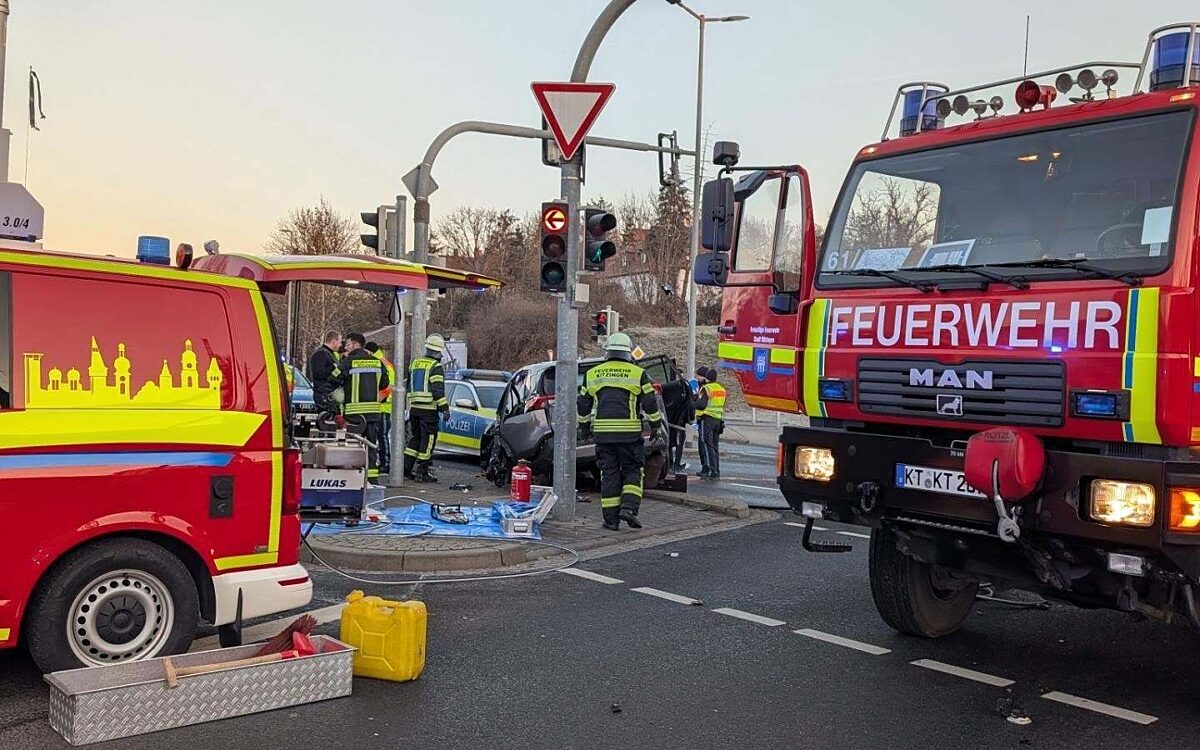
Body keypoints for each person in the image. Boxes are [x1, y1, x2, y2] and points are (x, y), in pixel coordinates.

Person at [578, 332, 665, 531]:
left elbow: (583, 404)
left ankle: (611, 520)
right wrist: (655, 426)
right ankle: (629, 508)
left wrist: (583, 428)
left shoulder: (593, 374)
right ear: (628, 352)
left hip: (603, 435)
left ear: (608, 351)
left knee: (609, 474)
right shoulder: (638, 373)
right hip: (629, 435)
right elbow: (650, 402)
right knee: (633, 470)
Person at [342, 332, 389, 484]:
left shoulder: (349, 362)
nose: (346, 347)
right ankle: (373, 479)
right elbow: (384, 383)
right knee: (371, 445)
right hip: (373, 412)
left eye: (348, 344)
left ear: (356, 345)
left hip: (354, 414)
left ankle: (353, 479)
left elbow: (335, 379)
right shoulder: (377, 362)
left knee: (353, 446)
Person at [404, 333, 449, 483]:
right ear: (437, 351)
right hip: (429, 410)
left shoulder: (415, 363)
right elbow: (438, 391)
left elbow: (408, 384)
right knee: (428, 441)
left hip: (414, 408)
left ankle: (406, 468)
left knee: (415, 439)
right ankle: (422, 472)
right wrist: (445, 408)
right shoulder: (435, 367)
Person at [365, 341, 396, 475]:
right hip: (379, 406)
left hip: (383, 406)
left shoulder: (381, 363)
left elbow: (388, 386)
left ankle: (386, 463)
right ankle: (383, 462)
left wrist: (378, 399)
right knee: (379, 436)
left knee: (382, 436)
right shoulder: (380, 361)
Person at [693, 366, 726, 480]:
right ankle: (716, 470)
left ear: (707, 378)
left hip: (706, 418)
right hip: (718, 419)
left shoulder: (706, 388)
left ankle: (710, 470)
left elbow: (701, 405)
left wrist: (694, 402)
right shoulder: (721, 389)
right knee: (715, 446)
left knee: (707, 444)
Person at [307, 331, 343, 415]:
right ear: (333, 341)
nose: (340, 345)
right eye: (339, 342)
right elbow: (319, 374)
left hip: (329, 395)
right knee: (328, 422)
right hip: (324, 395)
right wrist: (333, 367)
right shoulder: (321, 353)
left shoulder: (329, 354)